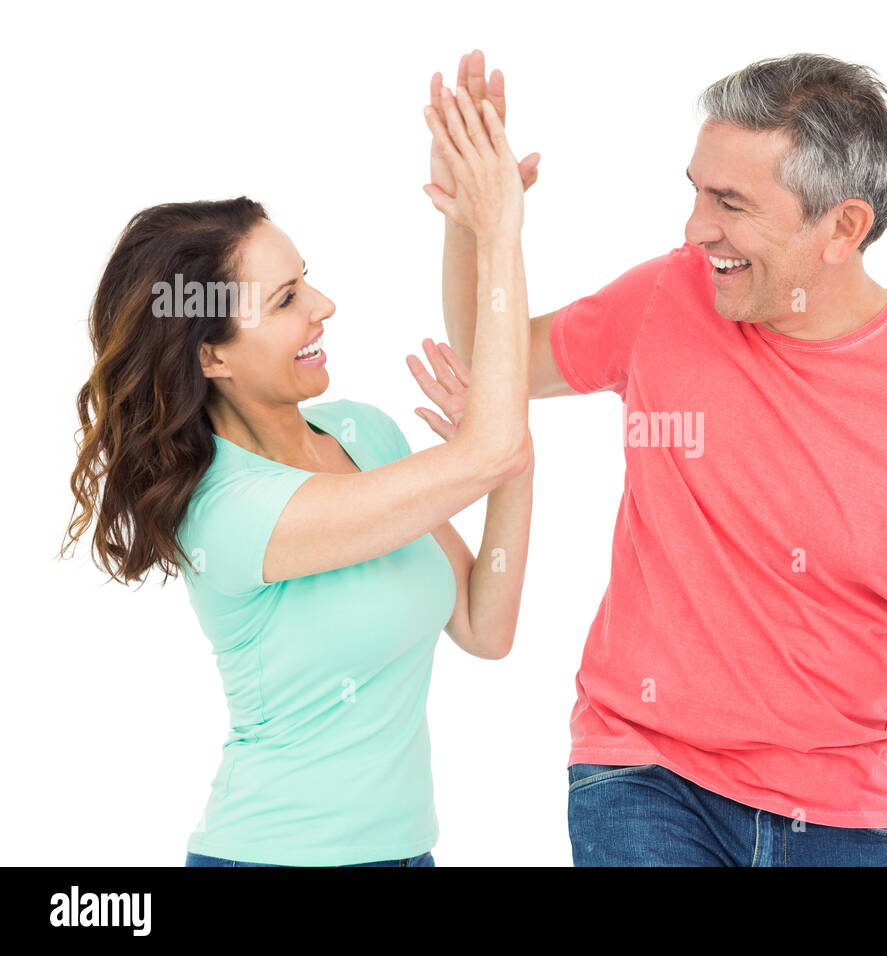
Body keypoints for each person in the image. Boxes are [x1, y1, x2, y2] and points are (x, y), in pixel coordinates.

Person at [439, 51, 887, 866]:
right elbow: (490, 362)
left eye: (731, 204)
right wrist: (474, 220)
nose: (695, 229)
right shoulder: (668, 297)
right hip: (643, 774)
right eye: (695, 190)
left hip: (840, 812)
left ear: (843, 228)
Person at [63, 83, 535, 866]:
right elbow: (484, 449)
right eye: (285, 300)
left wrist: (513, 471)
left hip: (408, 855)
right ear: (211, 356)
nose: (324, 304)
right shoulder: (230, 511)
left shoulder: (365, 433)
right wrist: (498, 231)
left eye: (305, 279)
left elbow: (485, 627)